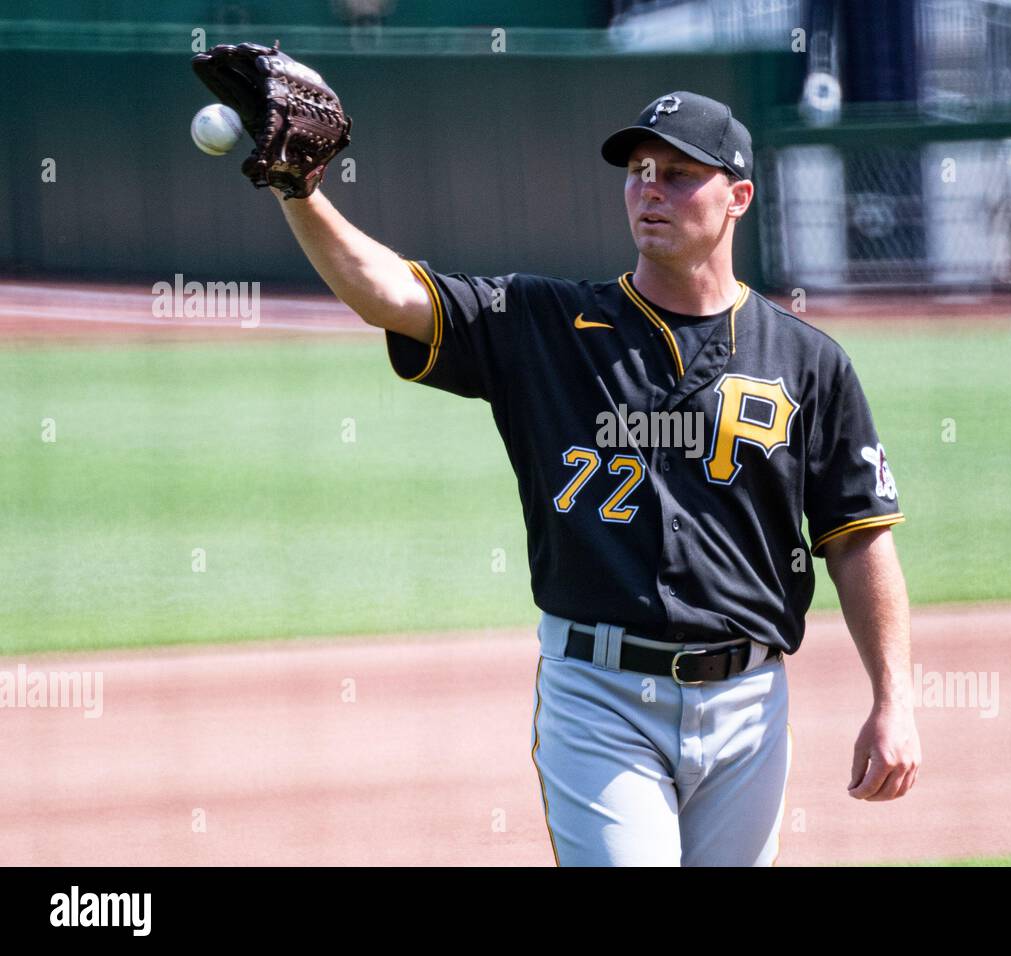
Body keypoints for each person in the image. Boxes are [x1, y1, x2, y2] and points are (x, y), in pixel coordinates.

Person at [274, 90, 921, 866]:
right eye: (640, 171)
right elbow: (389, 293)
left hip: (750, 704)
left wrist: (894, 701)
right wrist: (300, 191)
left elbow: (857, 538)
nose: (651, 188)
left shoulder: (808, 361)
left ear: (738, 196)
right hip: (600, 699)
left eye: (680, 174)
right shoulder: (544, 324)